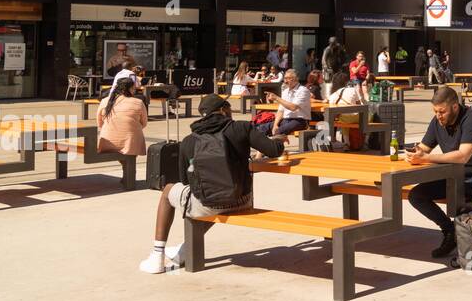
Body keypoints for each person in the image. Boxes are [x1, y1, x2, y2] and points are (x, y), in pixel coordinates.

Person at [139, 94, 284, 274]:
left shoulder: (189, 140)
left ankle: (157, 256)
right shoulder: (241, 128)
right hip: (242, 200)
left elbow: (185, 180)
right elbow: (273, 150)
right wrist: (279, 138)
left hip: (207, 205)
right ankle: (184, 249)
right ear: (223, 110)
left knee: (169, 191)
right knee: (221, 192)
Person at [408, 87, 472, 278]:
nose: (438, 116)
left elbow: (462, 156)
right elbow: (424, 147)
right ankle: (450, 232)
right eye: (435, 112)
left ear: (454, 106)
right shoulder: (437, 122)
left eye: (442, 111)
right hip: (455, 177)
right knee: (417, 195)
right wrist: (413, 153)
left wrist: (426, 158)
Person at [96, 77, 148, 157]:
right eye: (134, 88)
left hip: (107, 142)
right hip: (130, 143)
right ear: (130, 89)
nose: (135, 91)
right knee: (132, 138)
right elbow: (144, 123)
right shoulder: (138, 102)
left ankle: (125, 167)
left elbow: (100, 123)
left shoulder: (105, 101)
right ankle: (127, 168)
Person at [263, 69, 311, 138]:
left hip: (300, 121)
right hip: (286, 120)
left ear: (296, 79)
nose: (285, 81)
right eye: (285, 78)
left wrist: (276, 98)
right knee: (263, 128)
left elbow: (293, 107)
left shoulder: (303, 90)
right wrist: (275, 125)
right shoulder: (285, 91)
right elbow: (281, 111)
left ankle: (275, 147)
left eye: (288, 78)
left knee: (278, 131)